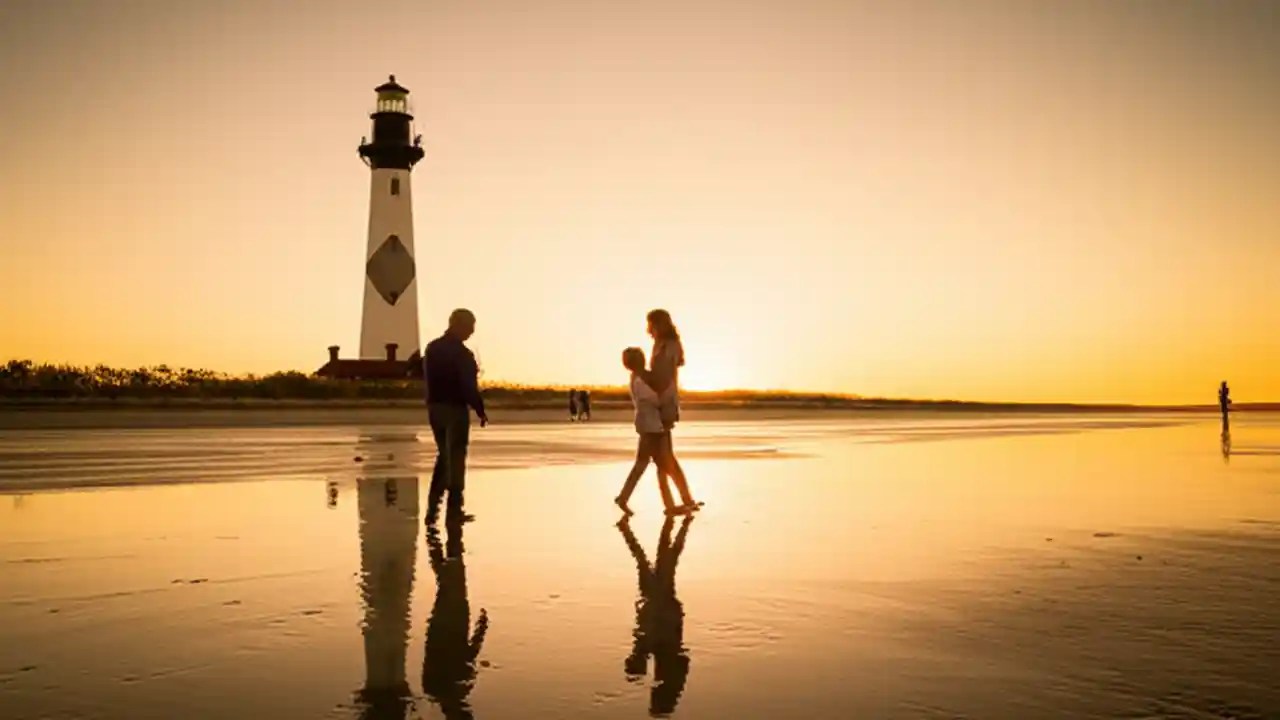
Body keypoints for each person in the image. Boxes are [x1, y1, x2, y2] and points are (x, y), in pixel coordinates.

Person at [617, 514, 693, 716]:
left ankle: (678, 523)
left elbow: (682, 661)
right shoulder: (649, 650)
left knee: (657, 558)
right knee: (659, 557)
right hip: (662, 605)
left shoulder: (648, 649)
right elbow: (682, 660)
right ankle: (677, 523)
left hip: (661, 606)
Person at [423, 309, 488, 525]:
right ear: (458, 325)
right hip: (454, 409)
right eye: (470, 326)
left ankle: (432, 510)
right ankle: (454, 510)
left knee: (444, 455)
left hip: (434, 408)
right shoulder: (462, 354)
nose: (472, 331)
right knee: (456, 457)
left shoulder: (432, 348)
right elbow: (468, 386)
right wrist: (479, 408)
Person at [645, 309, 699, 512]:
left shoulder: (669, 345)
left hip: (664, 402)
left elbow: (664, 376)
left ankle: (678, 501)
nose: (649, 329)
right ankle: (682, 499)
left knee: (664, 455)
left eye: (651, 324)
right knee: (663, 455)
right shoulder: (660, 344)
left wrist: (646, 380)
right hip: (660, 400)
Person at [616, 348, 678, 515]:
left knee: (645, 464)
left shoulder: (641, 378)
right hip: (650, 427)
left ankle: (624, 497)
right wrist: (666, 398)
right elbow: (654, 399)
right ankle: (668, 505)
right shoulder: (639, 380)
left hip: (650, 426)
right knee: (652, 463)